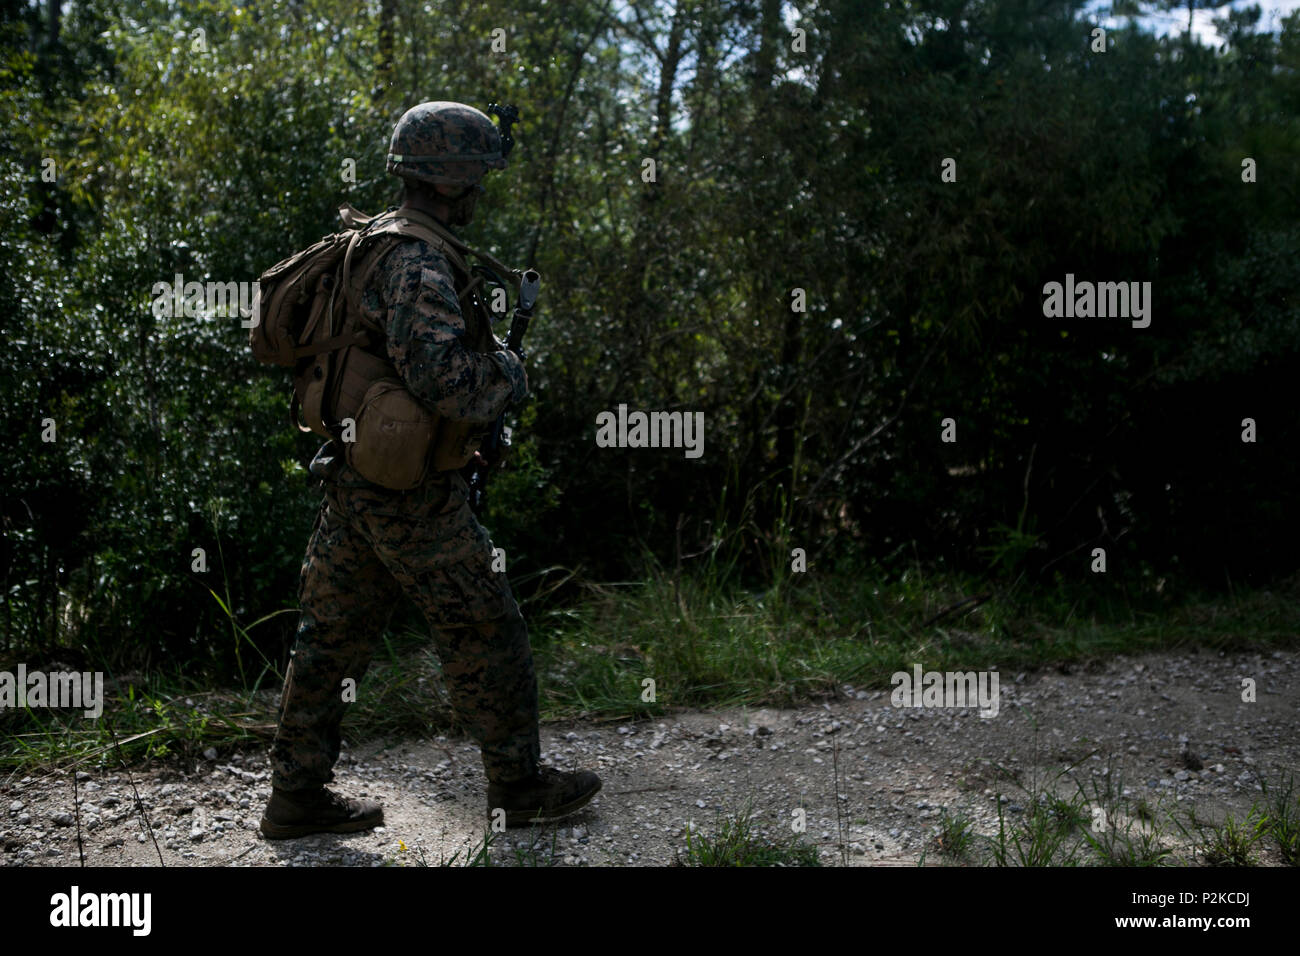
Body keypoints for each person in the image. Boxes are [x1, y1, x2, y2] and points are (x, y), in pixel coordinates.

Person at [260, 101, 601, 840]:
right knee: (486, 626)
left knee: (329, 637)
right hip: (407, 494)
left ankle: (296, 796)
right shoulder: (418, 263)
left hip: (354, 477)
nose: (482, 190)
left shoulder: (376, 244)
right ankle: (518, 787)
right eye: (479, 175)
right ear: (452, 181)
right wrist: (510, 372)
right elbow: (445, 380)